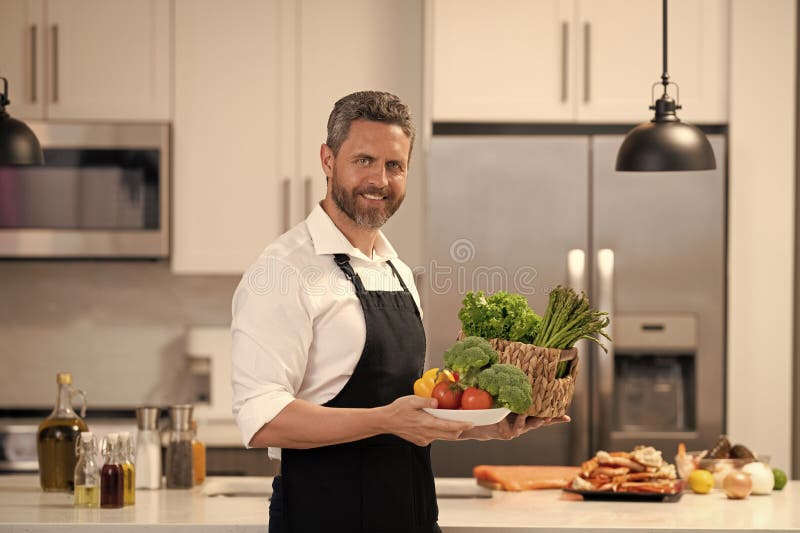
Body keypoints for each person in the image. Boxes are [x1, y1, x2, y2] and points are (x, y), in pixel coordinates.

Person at [231, 91, 568, 533]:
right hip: (325, 519)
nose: (380, 180)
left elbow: (409, 415)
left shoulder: (398, 271)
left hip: (411, 517)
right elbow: (262, 418)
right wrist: (385, 419)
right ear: (328, 160)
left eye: (395, 166)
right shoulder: (284, 269)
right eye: (364, 160)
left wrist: (480, 427)